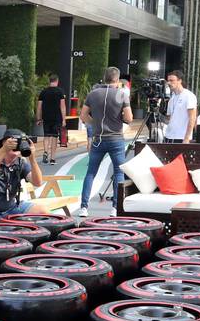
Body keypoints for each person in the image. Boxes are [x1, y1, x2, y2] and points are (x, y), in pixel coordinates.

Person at [77, 67, 133, 218]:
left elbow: (83, 115)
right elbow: (129, 118)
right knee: (118, 173)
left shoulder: (93, 93)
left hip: (98, 138)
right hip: (115, 138)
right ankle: (115, 208)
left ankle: (83, 207)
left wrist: (94, 123)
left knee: (90, 173)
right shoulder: (122, 94)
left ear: (104, 78)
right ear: (117, 79)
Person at [36, 75, 66, 163]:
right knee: (54, 137)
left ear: (49, 81)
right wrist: (64, 119)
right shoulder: (60, 92)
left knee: (46, 136)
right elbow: (62, 106)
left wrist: (38, 118)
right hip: (57, 118)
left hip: (46, 117)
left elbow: (39, 106)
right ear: (57, 81)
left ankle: (45, 151)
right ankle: (52, 159)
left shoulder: (43, 92)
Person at [163, 70, 197, 144]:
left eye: (172, 80)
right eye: (168, 80)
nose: (169, 83)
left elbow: (192, 118)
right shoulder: (171, 98)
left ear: (179, 81)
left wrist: (187, 138)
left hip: (181, 137)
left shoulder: (189, 95)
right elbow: (169, 118)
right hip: (169, 135)